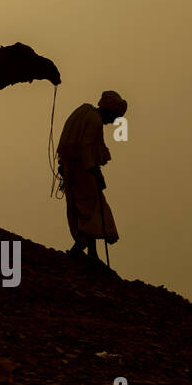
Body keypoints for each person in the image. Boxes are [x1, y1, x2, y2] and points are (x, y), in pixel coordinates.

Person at [56, 90, 128, 266]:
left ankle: (90, 252)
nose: (113, 122)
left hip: (76, 169)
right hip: (83, 172)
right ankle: (84, 251)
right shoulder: (95, 121)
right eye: (114, 117)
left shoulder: (86, 112)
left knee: (85, 209)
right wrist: (93, 170)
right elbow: (86, 146)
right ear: (109, 111)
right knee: (91, 209)